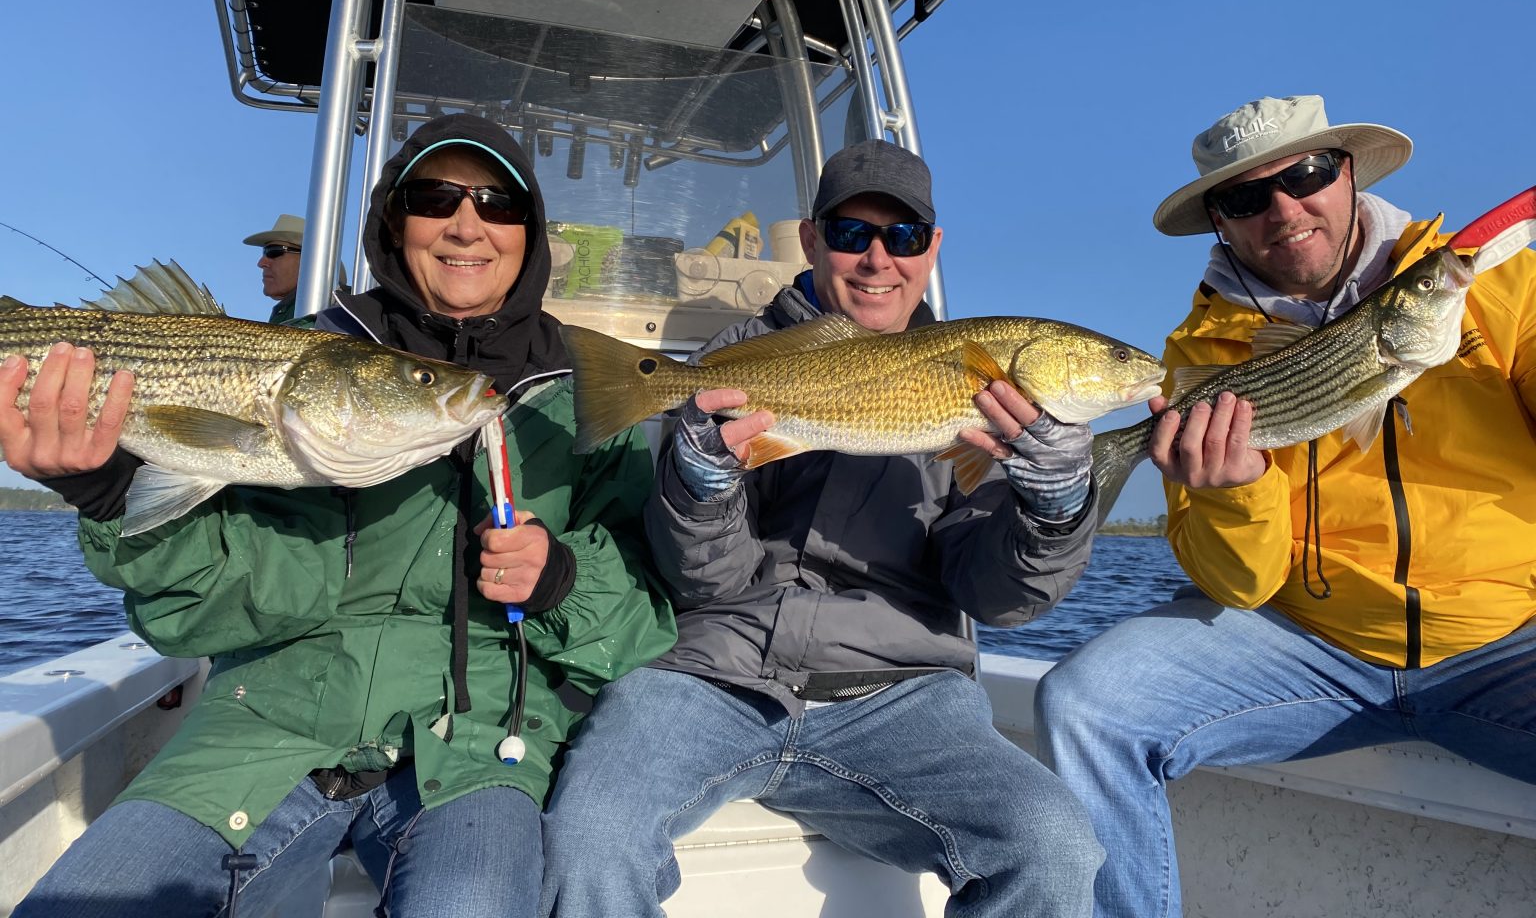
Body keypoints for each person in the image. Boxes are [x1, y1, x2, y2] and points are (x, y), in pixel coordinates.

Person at [0, 112, 676, 918]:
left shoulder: (590, 400)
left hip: (478, 751)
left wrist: (562, 578)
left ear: (530, 233)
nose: (468, 224)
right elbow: (196, 619)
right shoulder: (309, 357)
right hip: (263, 733)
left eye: (498, 202)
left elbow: (652, 626)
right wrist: (106, 493)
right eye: (435, 197)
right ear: (395, 219)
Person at [541, 138, 1105, 918]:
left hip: (902, 693)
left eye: (903, 238)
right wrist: (700, 487)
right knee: (588, 835)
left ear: (932, 250)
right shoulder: (738, 360)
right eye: (852, 234)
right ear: (810, 239)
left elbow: (995, 594)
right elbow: (704, 579)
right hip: (716, 675)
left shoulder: (995, 395)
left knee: (1057, 845)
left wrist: (1055, 508)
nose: (878, 259)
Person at [1033, 95, 1536, 918]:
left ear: (1346, 173)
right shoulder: (1194, 359)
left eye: (1305, 175)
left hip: (1506, 643)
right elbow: (1238, 585)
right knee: (1087, 706)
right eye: (1245, 199)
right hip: (1308, 651)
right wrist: (1234, 492)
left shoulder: (1489, 278)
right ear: (1220, 225)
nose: (1284, 210)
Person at [242, 213, 306, 323]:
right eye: (264, 252)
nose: (261, 263)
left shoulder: (335, 313)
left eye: (274, 251)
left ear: (308, 259)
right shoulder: (284, 312)